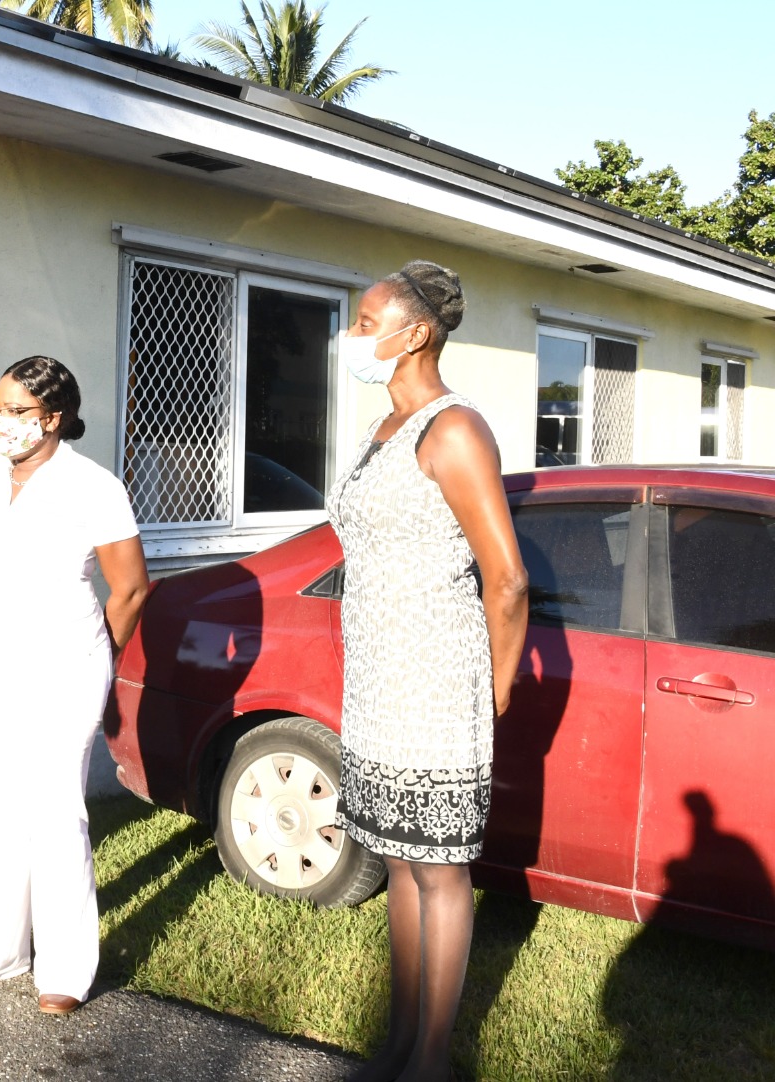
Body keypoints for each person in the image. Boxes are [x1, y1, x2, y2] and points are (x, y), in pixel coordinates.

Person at [327, 261, 529, 1082]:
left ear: (414, 333)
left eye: (366, 318)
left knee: (440, 871)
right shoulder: (384, 431)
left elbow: (508, 579)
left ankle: (432, 1061)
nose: (352, 334)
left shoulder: (455, 430)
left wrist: (496, 693)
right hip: (378, 684)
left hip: (441, 685)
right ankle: (400, 1043)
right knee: (401, 864)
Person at [0, 356, 149, 1016]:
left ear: (52, 418)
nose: (0, 422)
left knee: (56, 811)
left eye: (16, 411)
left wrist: (98, 654)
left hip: (65, 663)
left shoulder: (93, 485)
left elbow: (131, 586)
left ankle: (66, 968)